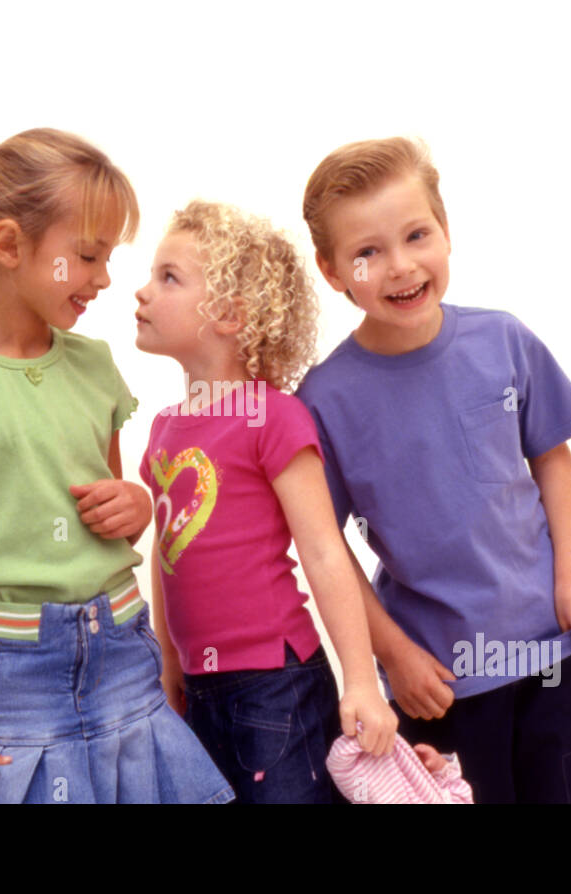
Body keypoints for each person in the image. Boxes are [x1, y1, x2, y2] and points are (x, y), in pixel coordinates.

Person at [0, 129, 232, 804]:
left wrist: (136, 504)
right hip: (13, 682)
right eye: (88, 256)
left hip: (127, 663)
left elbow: (115, 518)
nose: (103, 279)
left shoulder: (94, 366)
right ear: (10, 246)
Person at [295, 137, 571, 803]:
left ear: (446, 231)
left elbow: (552, 458)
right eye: (367, 253)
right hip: (437, 679)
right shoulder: (325, 399)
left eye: (417, 236)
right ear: (332, 272)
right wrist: (390, 653)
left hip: (548, 655)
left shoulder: (502, 340)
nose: (400, 267)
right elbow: (326, 547)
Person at [133, 200, 397, 803]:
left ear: (228, 313)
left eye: (168, 277)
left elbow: (325, 551)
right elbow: (169, 547)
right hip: (199, 686)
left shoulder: (273, 417)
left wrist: (361, 683)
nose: (142, 292)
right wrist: (169, 661)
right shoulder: (164, 429)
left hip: (275, 683)